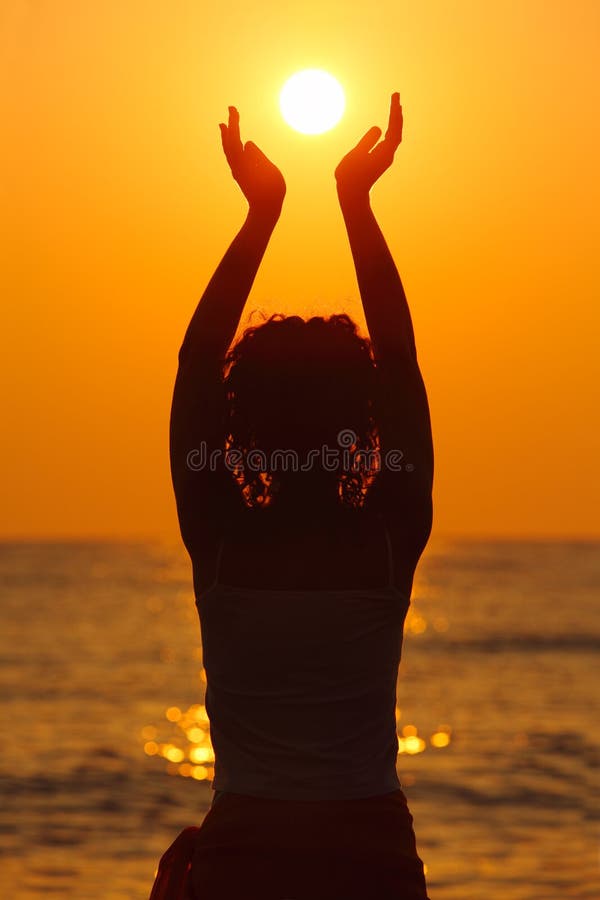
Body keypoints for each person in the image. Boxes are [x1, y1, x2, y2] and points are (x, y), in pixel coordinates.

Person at [150, 92, 433, 900]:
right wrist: (356, 204)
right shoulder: (388, 539)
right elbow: (401, 360)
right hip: (372, 863)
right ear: (364, 422)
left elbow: (195, 363)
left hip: (244, 861)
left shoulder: (220, 541)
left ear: (241, 425)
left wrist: (261, 214)